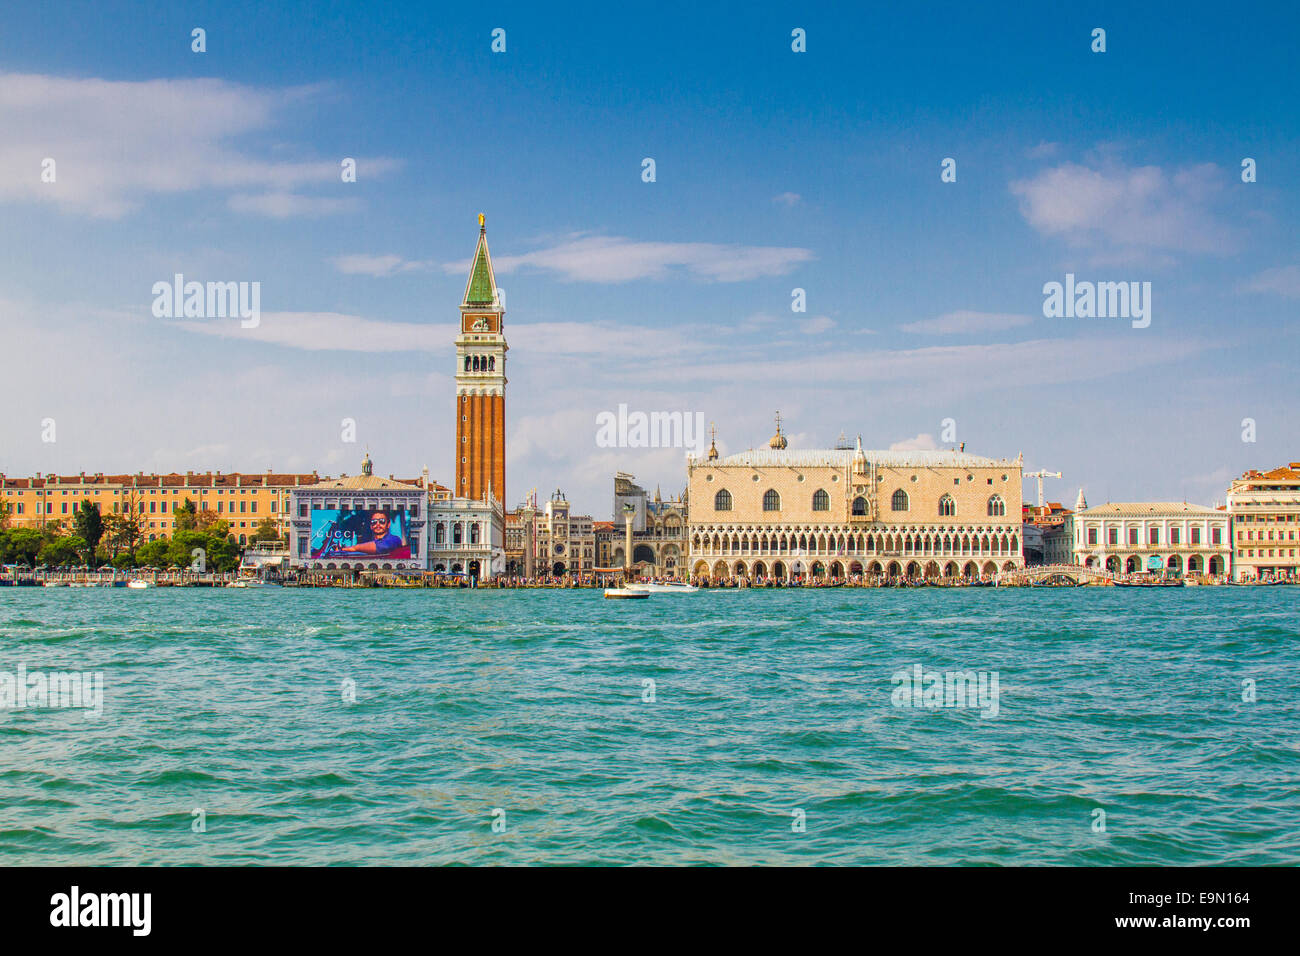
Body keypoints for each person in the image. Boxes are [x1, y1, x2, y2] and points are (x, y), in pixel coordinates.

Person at [337, 511, 404, 555]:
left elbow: (384, 546)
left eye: (382, 521)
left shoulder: (395, 539)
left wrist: (352, 548)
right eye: (374, 522)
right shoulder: (367, 543)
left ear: (388, 524)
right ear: (371, 526)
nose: (378, 524)